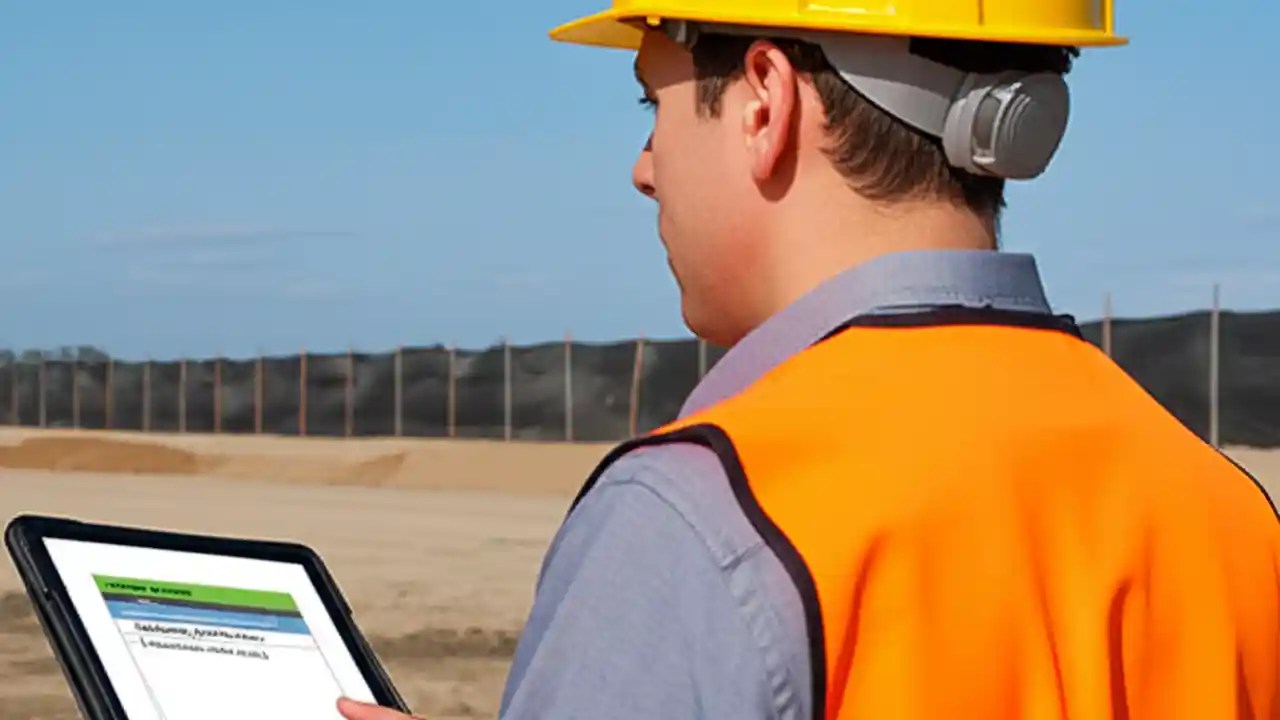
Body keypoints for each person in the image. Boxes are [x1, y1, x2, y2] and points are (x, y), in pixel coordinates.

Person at [339, 2, 1280, 719]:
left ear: (763, 101)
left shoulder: (699, 518)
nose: (644, 165)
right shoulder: (1224, 510)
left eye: (650, 102)